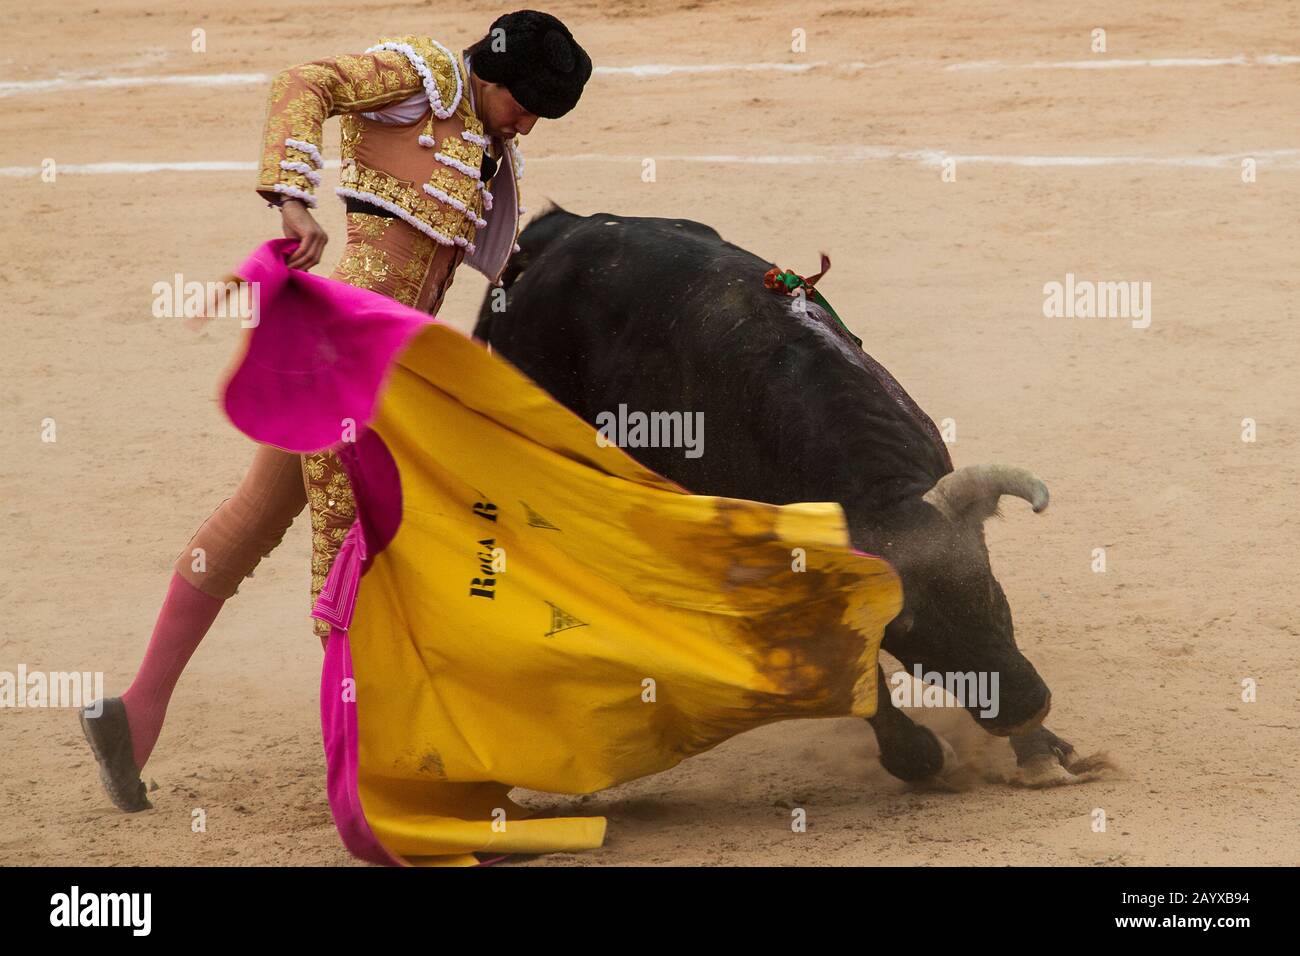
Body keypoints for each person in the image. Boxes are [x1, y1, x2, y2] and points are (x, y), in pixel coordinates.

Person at [80, 10, 592, 812]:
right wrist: (292, 197)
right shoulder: (420, 78)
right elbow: (304, 82)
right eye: (523, 105)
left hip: (377, 361)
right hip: (348, 361)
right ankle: (379, 785)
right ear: (492, 75)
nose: (526, 124)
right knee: (361, 560)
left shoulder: (488, 142)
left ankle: (134, 713)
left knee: (255, 518)